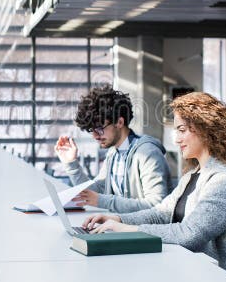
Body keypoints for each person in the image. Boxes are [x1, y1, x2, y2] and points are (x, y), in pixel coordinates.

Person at [82, 92, 226, 279]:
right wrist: (118, 219)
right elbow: (160, 213)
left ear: (204, 129)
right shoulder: (192, 176)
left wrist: (130, 230)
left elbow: (189, 234)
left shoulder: (224, 180)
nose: (177, 139)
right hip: (196, 273)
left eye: (182, 130)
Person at [55, 85, 171, 213]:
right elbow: (96, 191)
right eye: (91, 130)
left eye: (99, 128)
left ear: (119, 122)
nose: (95, 136)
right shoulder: (114, 153)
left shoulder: (147, 153)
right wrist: (71, 164)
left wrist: (103, 201)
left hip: (142, 230)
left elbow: (157, 205)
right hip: (120, 225)